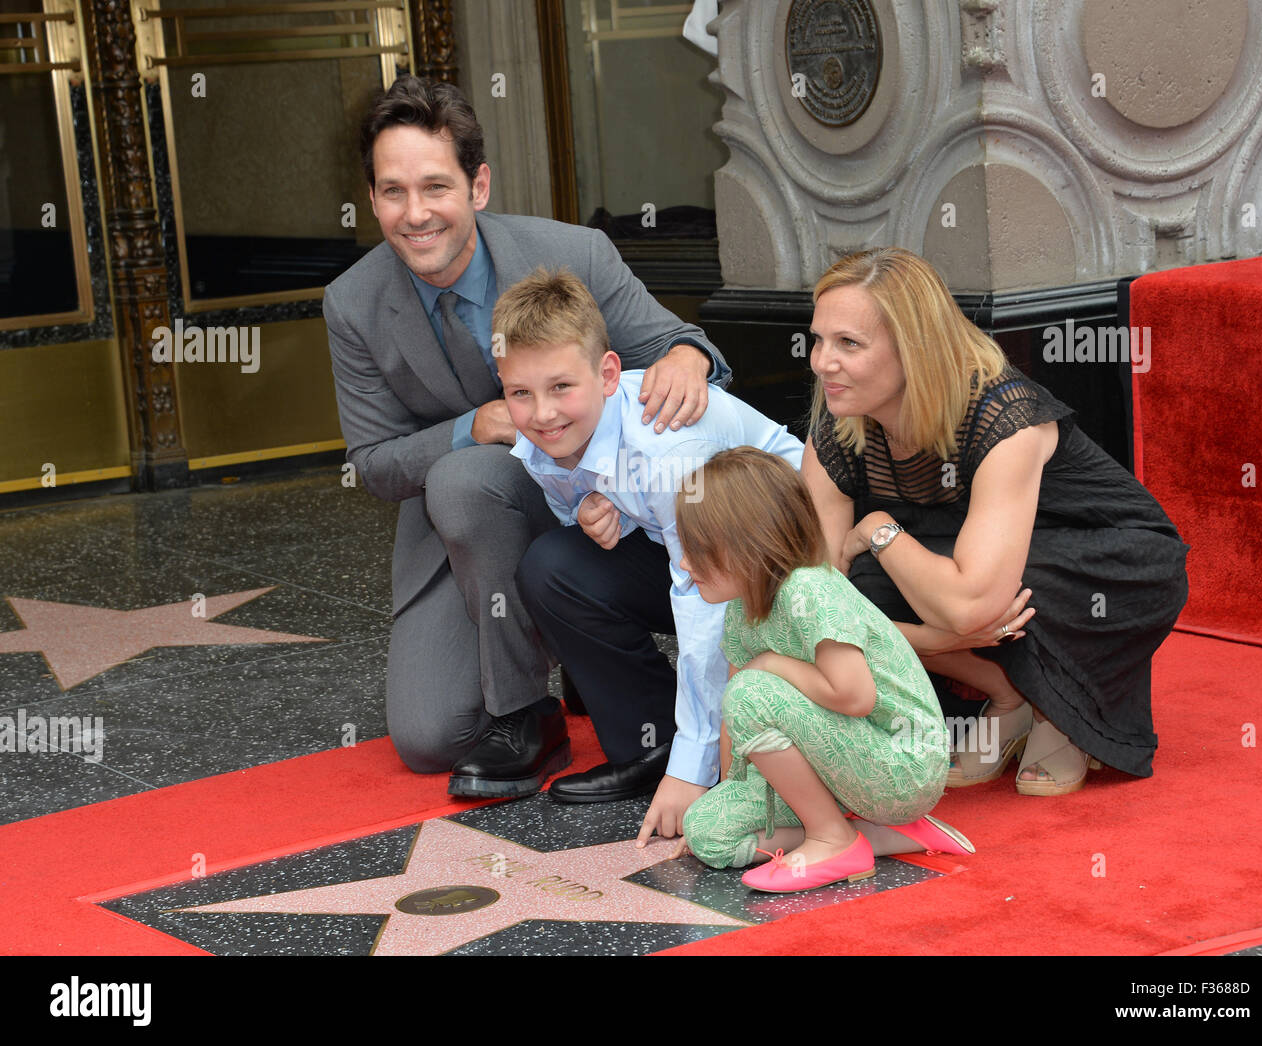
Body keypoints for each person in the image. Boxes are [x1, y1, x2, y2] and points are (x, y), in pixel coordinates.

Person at [323, 76, 731, 797]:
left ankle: (525, 712)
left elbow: (682, 343)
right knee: (428, 739)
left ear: (477, 186)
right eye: (391, 192)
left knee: (463, 478)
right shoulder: (352, 303)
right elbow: (376, 467)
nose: (415, 215)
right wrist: (470, 426)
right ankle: (549, 670)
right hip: (471, 528)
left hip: (607, 506)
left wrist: (688, 359)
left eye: (435, 187)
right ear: (372, 197)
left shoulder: (575, 252)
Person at [802, 247, 1189, 795]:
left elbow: (973, 605)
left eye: (849, 344)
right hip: (975, 567)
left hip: (1108, 562)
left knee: (988, 579)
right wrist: (939, 634)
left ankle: (1061, 713)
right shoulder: (837, 436)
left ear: (914, 350)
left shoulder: (1004, 416)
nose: (822, 361)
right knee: (860, 584)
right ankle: (1010, 694)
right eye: (818, 339)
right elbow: (817, 610)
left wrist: (879, 527)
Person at [497, 269, 803, 846]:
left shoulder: (669, 450)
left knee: (708, 614)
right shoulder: (544, 439)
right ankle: (652, 740)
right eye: (520, 393)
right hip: (688, 554)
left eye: (562, 387)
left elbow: (704, 603)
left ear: (608, 374)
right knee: (551, 566)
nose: (542, 413)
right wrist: (586, 504)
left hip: (784, 560)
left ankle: (702, 758)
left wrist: (696, 768)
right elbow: (578, 511)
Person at [675, 447, 973, 892]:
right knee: (707, 832)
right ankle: (876, 835)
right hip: (836, 771)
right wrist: (728, 794)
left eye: (698, 550)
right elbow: (736, 726)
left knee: (751, 690)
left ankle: (833, 839)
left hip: (900, 766)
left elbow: (856, 697)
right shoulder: (742, 607)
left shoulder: (809, 589)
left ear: (750, 544)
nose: (685, 563)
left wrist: (773, 664)